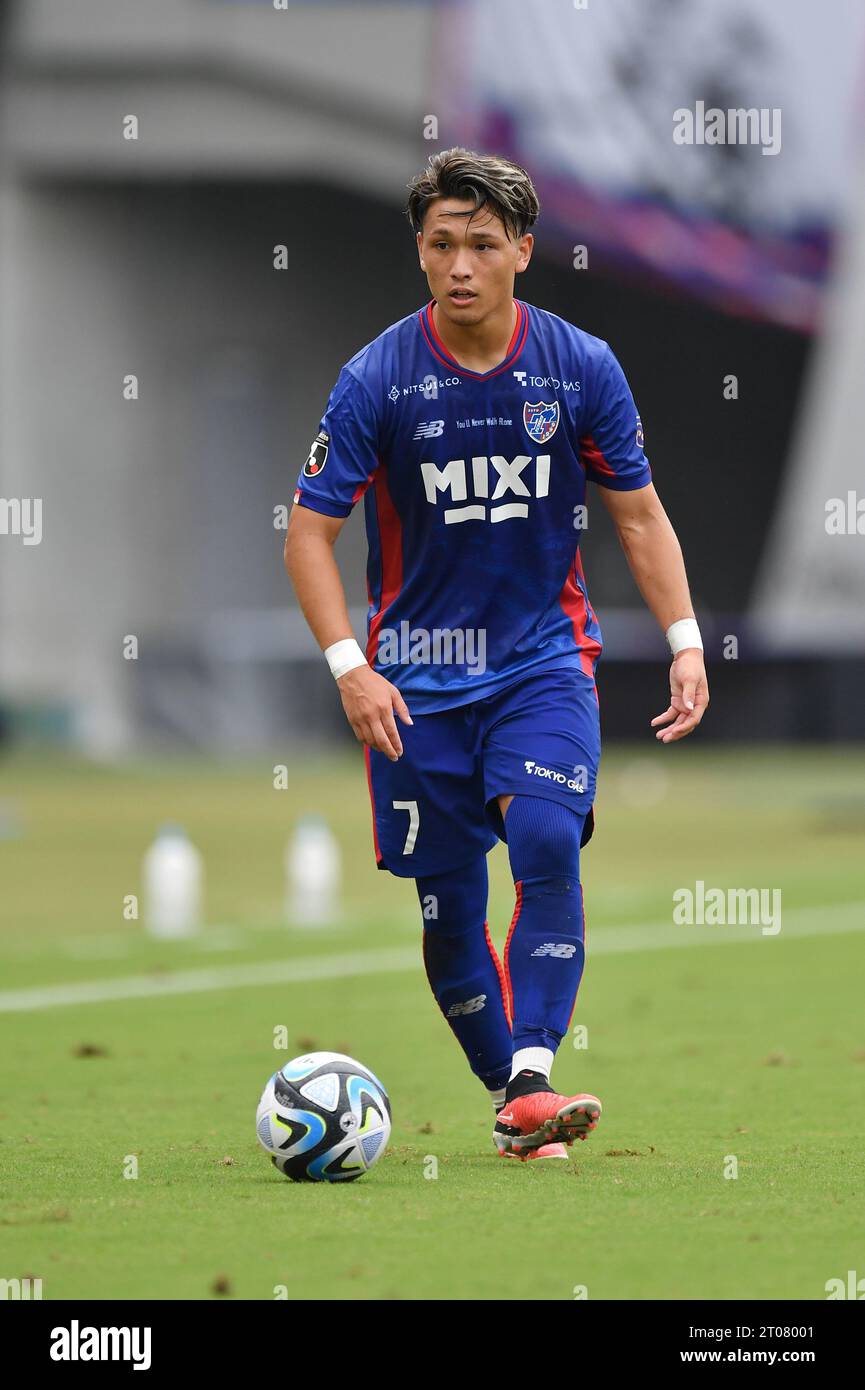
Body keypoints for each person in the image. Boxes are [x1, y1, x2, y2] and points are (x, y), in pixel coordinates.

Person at [285, 148, 709, 1161]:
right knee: (447, 902)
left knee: (548, 840)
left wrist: (686, 642)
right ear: (420, 253)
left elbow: (639, 517)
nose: (460, 264)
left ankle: (532, 1068)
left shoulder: (578, 368)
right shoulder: (375, 379)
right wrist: (351, 664)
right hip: (414, 682)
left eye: (482, 243)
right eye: (441, 245)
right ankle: (513, 1102)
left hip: (541, 661)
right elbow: (309, 532)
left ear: (522, 249)